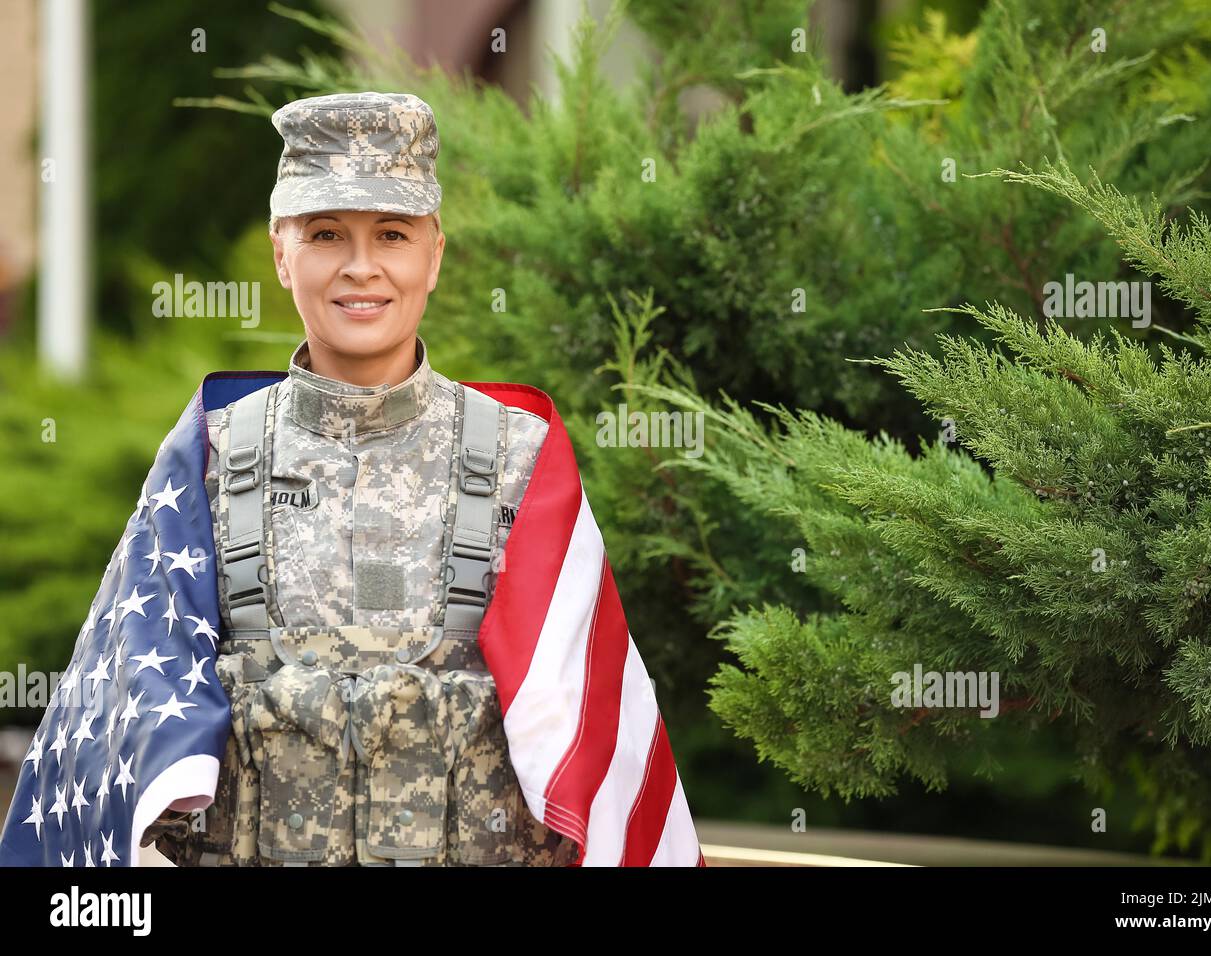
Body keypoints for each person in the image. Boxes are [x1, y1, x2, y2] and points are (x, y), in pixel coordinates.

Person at [0, 91, 702, 867]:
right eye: (326, 233)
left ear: (434, 254)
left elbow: (596, 745)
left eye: (391, 234)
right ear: (280, 252)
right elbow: (120, 730)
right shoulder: (208, 458)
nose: (361, 266)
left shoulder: (521, 464)